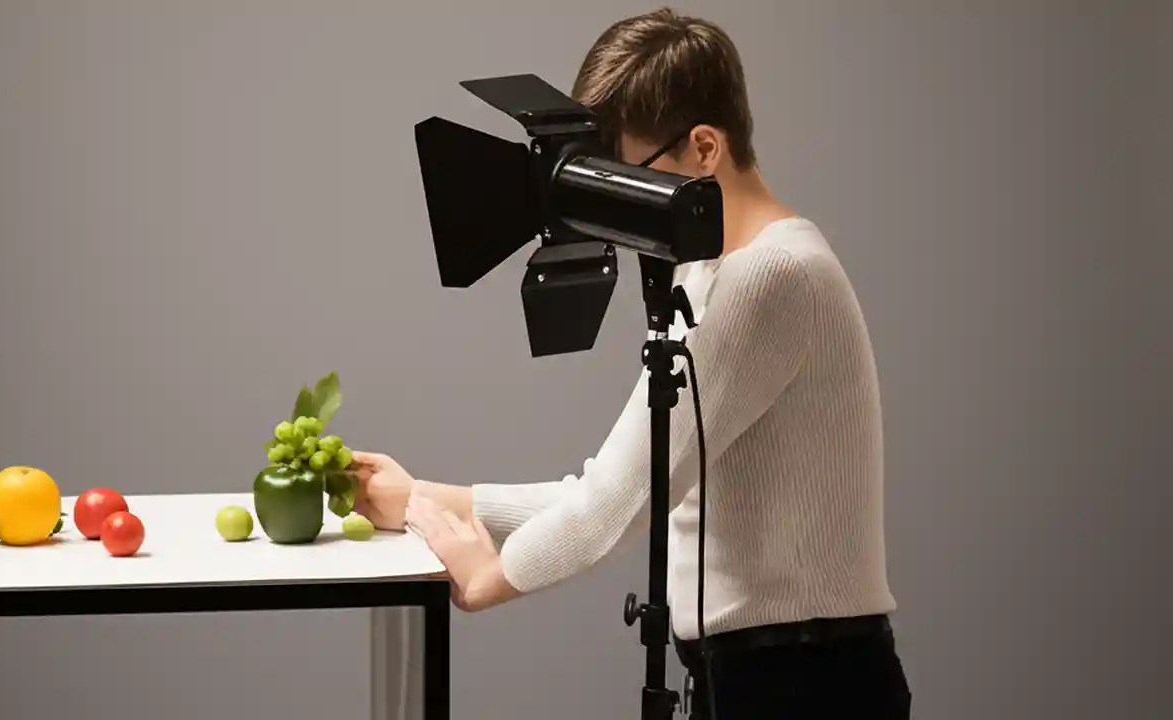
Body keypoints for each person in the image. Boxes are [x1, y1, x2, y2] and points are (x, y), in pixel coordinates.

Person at [349, 7, 911, 718]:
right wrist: (423, 500)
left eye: (622, 174)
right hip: (754, 676)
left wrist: (488, 580)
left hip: (805, 684)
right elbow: (608, 485)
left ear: (705, 148)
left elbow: (615, 505)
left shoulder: (771, 277)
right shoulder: (708, 272)